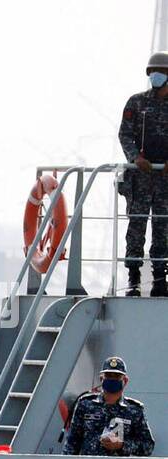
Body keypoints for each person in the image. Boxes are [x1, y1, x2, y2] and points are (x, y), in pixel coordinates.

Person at [119, 52, 168, 296]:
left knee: (163, 228)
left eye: (160, 72)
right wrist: (135, 158)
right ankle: (133, 279)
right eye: (152, 72)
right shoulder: (136, 103)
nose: (156, 76)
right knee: (136, 227)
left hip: (165, 181)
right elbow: (125, 134)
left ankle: (160, 279)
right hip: (140, 178)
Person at [63, 357, 155, 456]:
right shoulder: (85, 404)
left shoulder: (135, 410)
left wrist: (121, 445)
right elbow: (72, 443)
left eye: (117, 376)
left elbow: (147, 446)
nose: (112, 379)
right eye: (108, 375)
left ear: (125, 380)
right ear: (101, 379)